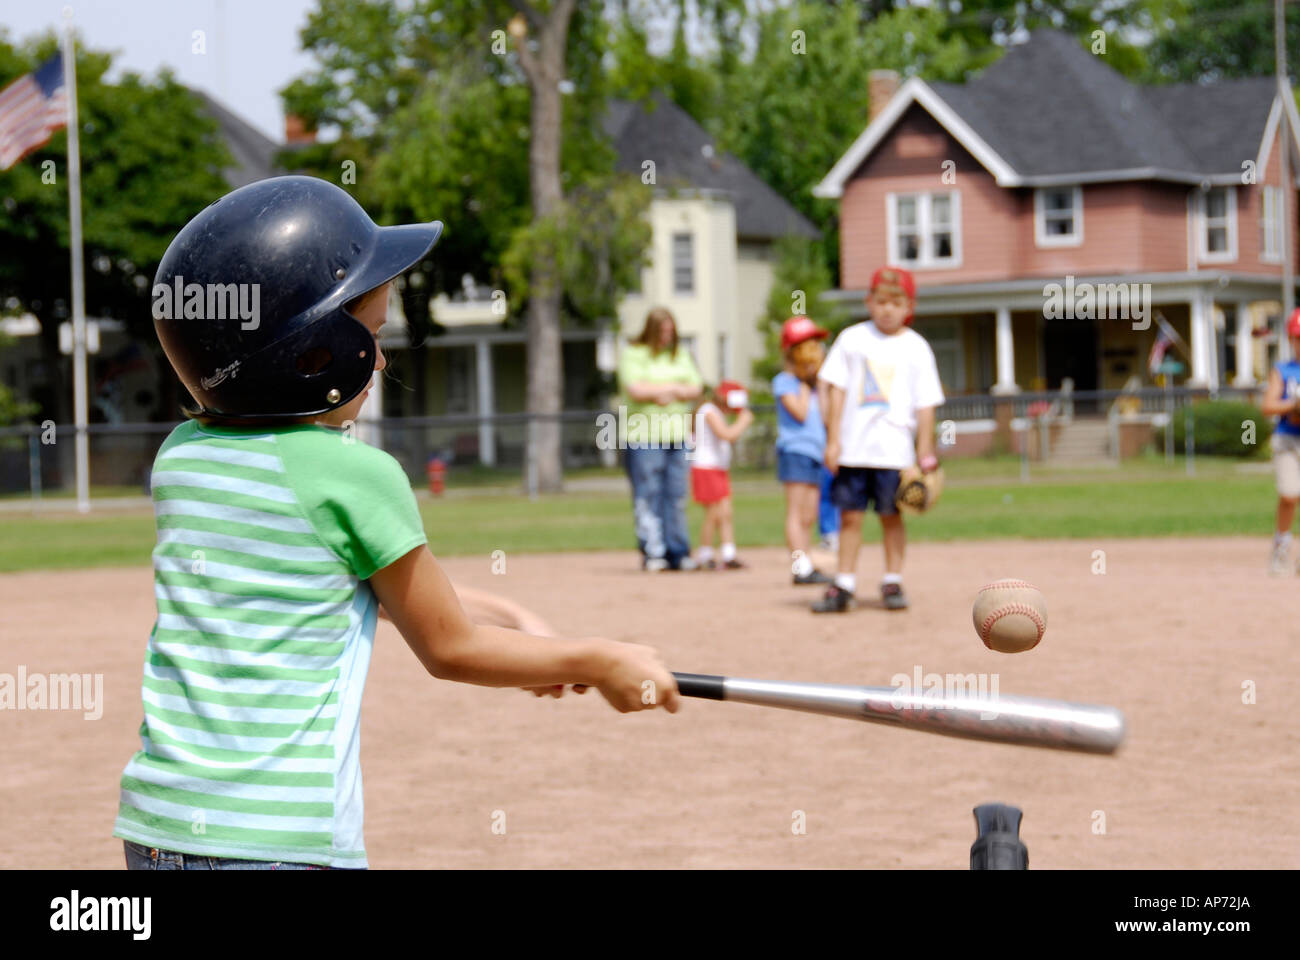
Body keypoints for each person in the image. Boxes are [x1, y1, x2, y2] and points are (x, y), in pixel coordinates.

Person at [114, 176, 680, 871]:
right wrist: (597, 659)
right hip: (274, 846)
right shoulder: (356, 473)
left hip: (157, 830)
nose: (380, 359)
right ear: (311, 354)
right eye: (371, 338)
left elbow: (328, 581)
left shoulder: (183, 458)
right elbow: (449, 649)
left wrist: (511, 616)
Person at [812, 266, 944, 613]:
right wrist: (833, 440)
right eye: (881, 301)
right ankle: (844, 584)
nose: (888, 309)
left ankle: (892, 580)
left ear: (909, 306)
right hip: (853, 449)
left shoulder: (917, 348)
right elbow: (836, 389)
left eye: (896, 302)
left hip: (895, 452)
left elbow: (925, 404)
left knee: (891, 516)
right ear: (868, 302)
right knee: (849, 517)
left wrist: (924, 451)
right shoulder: (853, 339)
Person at [617, 307, 704, 571]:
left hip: (677, 436)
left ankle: (678, 551)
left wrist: (662, 390)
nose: (667, 336)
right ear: (651, 330)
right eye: (662, 331)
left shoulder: (680, 356)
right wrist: (675, 387)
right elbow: (635, 390)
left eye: (671, 331)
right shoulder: (634, 354)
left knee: (676, 495)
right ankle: (653, 552)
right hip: (644, 437)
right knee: (648, 494)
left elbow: (696, 387)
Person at [772, 316, 834, 585]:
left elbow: (827, 419)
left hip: (815, 453)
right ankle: (800, 567)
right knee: (796, 513)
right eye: (805, 346)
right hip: (795, 451)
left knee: (809, 514)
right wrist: (805, 383)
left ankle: (806, 563)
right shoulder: (785, 381)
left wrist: (820, 384)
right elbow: (798, 412)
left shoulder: (815, 385)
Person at [690, 380, 754, 569]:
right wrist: (743, 421)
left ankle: (728, 554)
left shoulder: (715, 410)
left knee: (725, 512)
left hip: (717, 468)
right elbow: (727, 434)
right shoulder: (709, 410)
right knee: (713, 514)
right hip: (706, 467)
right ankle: (705, 554)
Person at [1261, 308, 1300, 575]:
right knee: (1289, 494)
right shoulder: (1283, 370)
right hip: (1288, 439)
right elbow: (1267, 406)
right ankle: (1282, 545)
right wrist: (1293, 405)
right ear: (1291, 339)